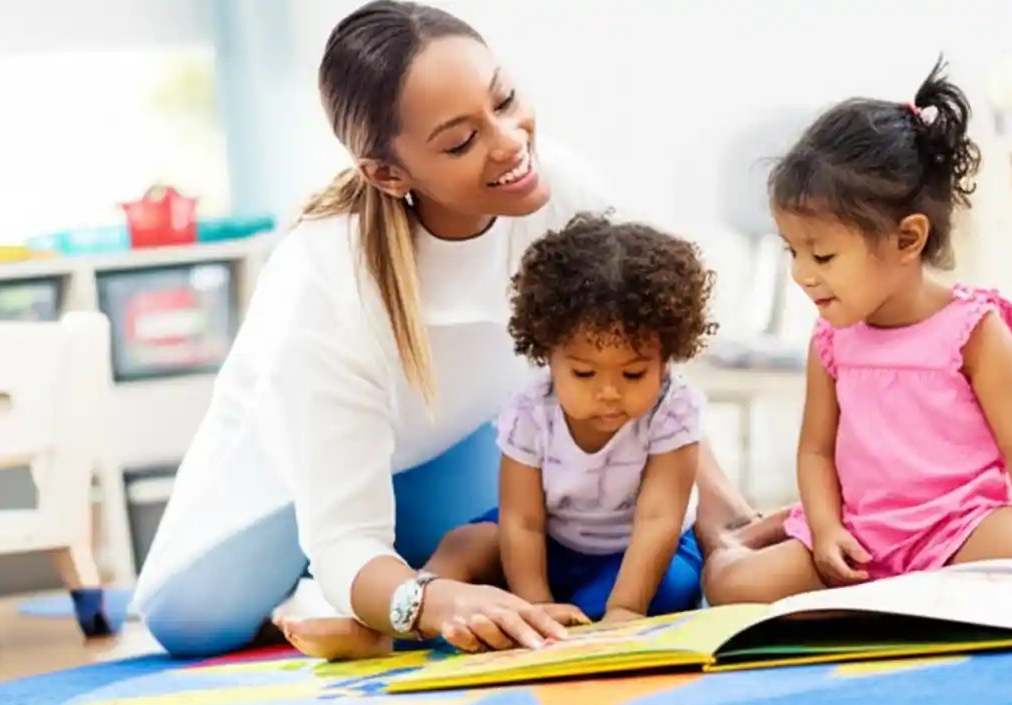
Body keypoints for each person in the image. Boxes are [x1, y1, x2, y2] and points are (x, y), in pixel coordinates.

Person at [130, 0, 758, 658]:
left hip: (445, 457)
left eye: (505, 99)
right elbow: (346, 535)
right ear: (387, 172)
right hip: (283, 489)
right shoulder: (325, 278)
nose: (511, 140)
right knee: (195, 624)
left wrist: (727, 522)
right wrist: (430, 601)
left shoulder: (564, 190)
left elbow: (650, 373)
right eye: (462, 141)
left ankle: (356, 599)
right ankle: (321, 595)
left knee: (541, 547)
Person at [700, 59, 1012, 606]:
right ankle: (740, 537)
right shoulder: (831, 341)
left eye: (823, 254)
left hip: (961, 525)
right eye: (793, 251)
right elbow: (815, 452)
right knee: (729, 586)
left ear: (908, 240)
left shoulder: (974, 328)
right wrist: (828, 529)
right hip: (863, 533)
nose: (802, 273)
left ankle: (785, 527)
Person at [284, 212, 717, 657]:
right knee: (465, 543)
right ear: (547, 352)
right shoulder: (530, 413)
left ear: (667, 355)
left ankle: (548, 615)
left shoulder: (673, 410)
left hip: (633, 553)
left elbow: (658, 519)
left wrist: (627, 609)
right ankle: (385, 628)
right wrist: (536, 605)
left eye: (633, 372)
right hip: (545, 542)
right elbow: (522, 522)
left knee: (672, 586)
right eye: (584, 372)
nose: (609, 392)